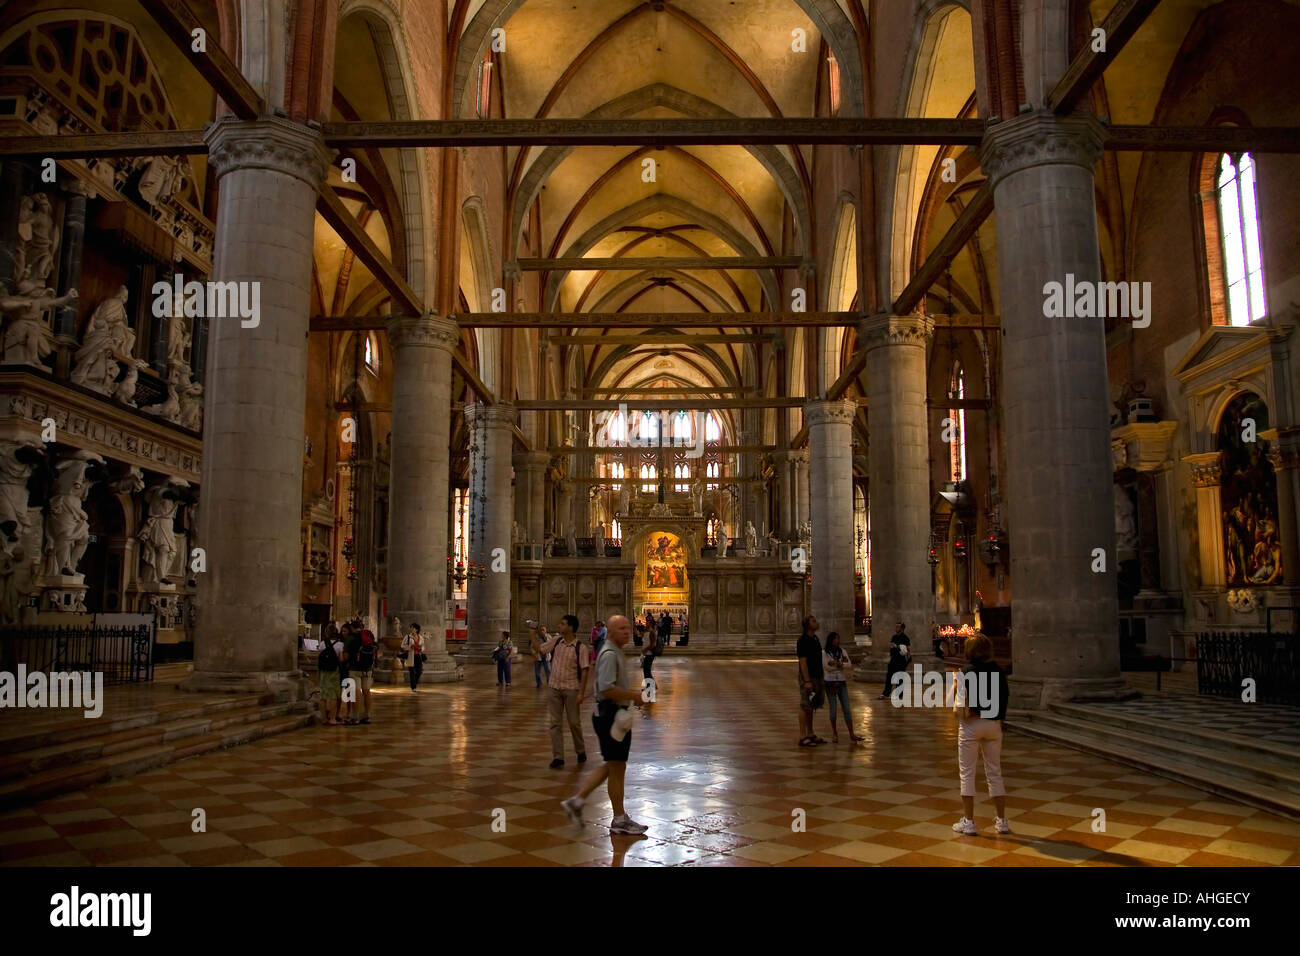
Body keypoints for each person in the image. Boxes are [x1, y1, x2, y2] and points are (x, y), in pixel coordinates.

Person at [561, 615, 649, 834]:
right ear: (609, 632)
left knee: (614, 764)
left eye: (628, 628)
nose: (627, 632)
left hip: (611, 714)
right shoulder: (610, 653)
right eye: (621, 628)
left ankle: (578, 801)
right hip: (609, 715)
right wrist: (635, 696)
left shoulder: (615, 650)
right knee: (616, 766)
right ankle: (618, 819)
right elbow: (606, 689)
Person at [952, 633, 1011, 835]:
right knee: (995, 771)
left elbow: (958, 705)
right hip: (993, 724)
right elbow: (1004, 698)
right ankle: (1002, 821)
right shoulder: (999, 671)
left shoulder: (964, 673)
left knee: (967, 773)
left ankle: (969, 822)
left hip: (971, 725)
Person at [531, 615, 591, 769]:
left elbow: (585, 671)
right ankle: (558, 756)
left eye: (562, 624)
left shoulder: (580, 648)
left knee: (574, 723)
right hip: (554, 688)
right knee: (555, 724)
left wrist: (581, 693)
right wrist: (532, 634)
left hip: (571, 689)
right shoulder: (556, 641)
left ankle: (580, 750)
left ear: (570, 627)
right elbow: (541, 649)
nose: (559, 626)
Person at [823, 632, 863, 743]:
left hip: (841, 681)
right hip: (830, 682)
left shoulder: (842, 651)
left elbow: (848, 664)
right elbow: (827, 666)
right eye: (835, 639)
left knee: (847, 708)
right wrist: (840, 664)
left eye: (838, 638)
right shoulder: (824, 653)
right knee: (833, 710)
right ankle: (834, 732)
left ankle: (851, 733)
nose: (837, 641)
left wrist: (836, 664)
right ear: (831, 640)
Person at [797, 615, 826, 747]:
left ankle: (811, 733)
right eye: (814, 621)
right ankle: (803, 736)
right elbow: (803, 662)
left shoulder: (815, 638)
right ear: (808, 625)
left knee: (811, 706)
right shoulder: (803, 640)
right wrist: (807, 680)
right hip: (808, 677)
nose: (817, 622)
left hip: (817, 675)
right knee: (805, 705)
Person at [344, 619, 379, 724]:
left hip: (355, 668)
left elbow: (346, 656)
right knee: (367, 691)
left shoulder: (350, 638)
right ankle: (367, 715)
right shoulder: (369, 636)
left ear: (352, 628)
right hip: (368, 669)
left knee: (356, 691)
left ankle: (355, 716)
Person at [879, 621, 912, 700]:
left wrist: (896, 646)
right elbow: (891, 646)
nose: (896, 628)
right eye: (895, 626)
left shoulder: (905, 638)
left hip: (901, 661)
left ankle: (899, 695)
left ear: (902, 628)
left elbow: (908, 649)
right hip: (893, 659)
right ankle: (886, 694)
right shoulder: (894, 637)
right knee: (889, 677)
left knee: (900, 678)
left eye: (898, 627)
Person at [317, 626, 342, 725]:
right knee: (333, 696)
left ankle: (323, 718)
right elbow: (341, 659)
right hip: (334, 671)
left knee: (323, 695)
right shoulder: (340, 645)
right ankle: (332, 718)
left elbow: (319, 658)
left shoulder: (322, 644)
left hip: (324, 671)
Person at [401, 622, 424, 692]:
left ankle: (414, 683)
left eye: (412, 628)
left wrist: (421, 649)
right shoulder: (407, 637)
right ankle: (413, 687)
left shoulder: (421, 637)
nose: (411, 629)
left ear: (416, 629)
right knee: (412, 672)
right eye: (410, 627)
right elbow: (402, 646)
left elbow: (423, 646)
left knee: (419, 671)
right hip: (411, 656)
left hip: (418, 656)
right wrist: (410, 647)